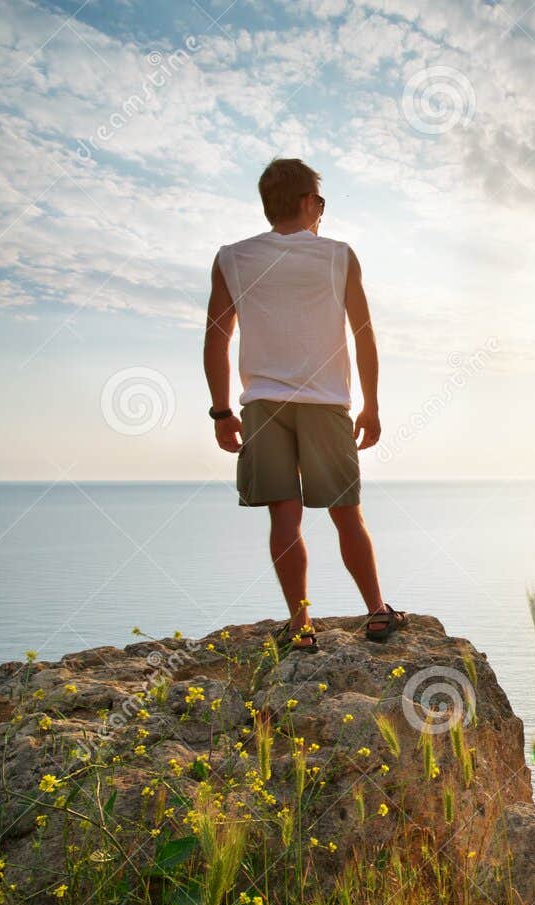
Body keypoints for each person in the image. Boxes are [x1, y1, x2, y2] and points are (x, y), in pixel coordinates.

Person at [202, 158, 404, 646]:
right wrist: (371, 405)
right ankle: (377, 613)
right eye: (321, 202)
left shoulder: (232, 258)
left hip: (262, 404)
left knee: (284, 518)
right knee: (346, 513)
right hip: (325, 401)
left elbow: (216, 339)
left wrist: (222, 411)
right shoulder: (338, 256)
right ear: (309, 202)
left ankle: (301, 626)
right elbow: (363, 334)